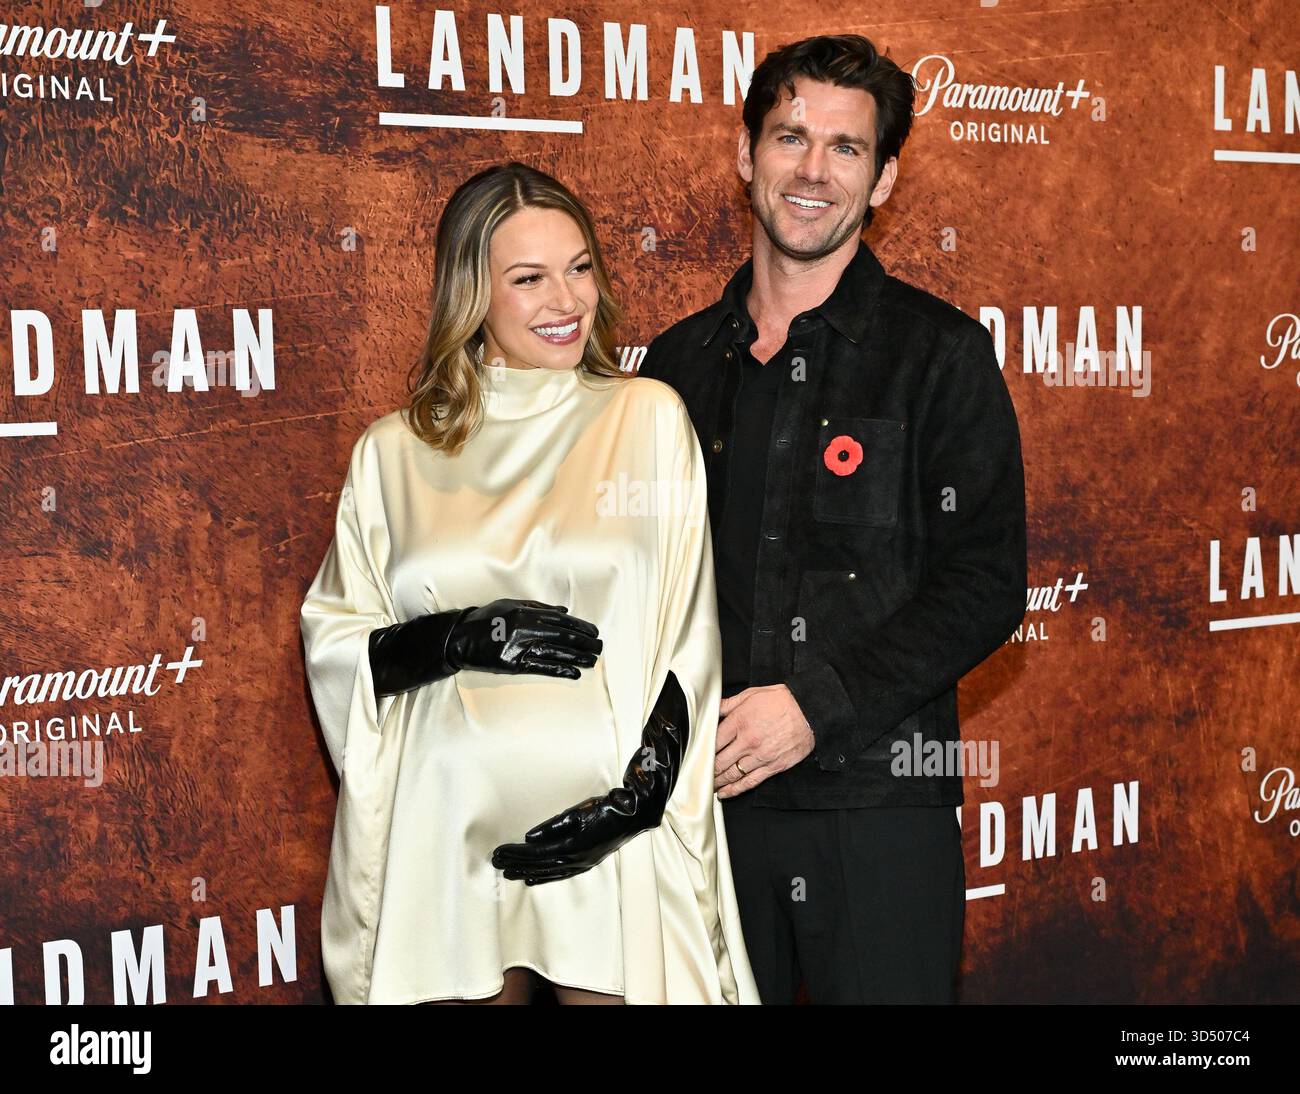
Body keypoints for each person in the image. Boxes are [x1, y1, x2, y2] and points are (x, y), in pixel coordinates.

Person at [299, 162, 759, 1005]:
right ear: (471, 294)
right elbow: (336, 644)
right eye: (529, 278)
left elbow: (688, 634)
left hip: (613, 828)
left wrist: (643, 795)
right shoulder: (393, 453)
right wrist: (453, 637)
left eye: (580, 267)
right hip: (446, 827)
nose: (568, 300)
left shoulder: (646, 417)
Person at [638, 34, 1028, 1003]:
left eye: (845, 148)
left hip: (875, 806)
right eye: (789, 138)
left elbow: (983, 586)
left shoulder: (939, 356)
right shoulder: (673, 369)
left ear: (884, 176)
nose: (812, 170)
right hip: (701, 815)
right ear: (744, 154)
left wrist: (816, 702)